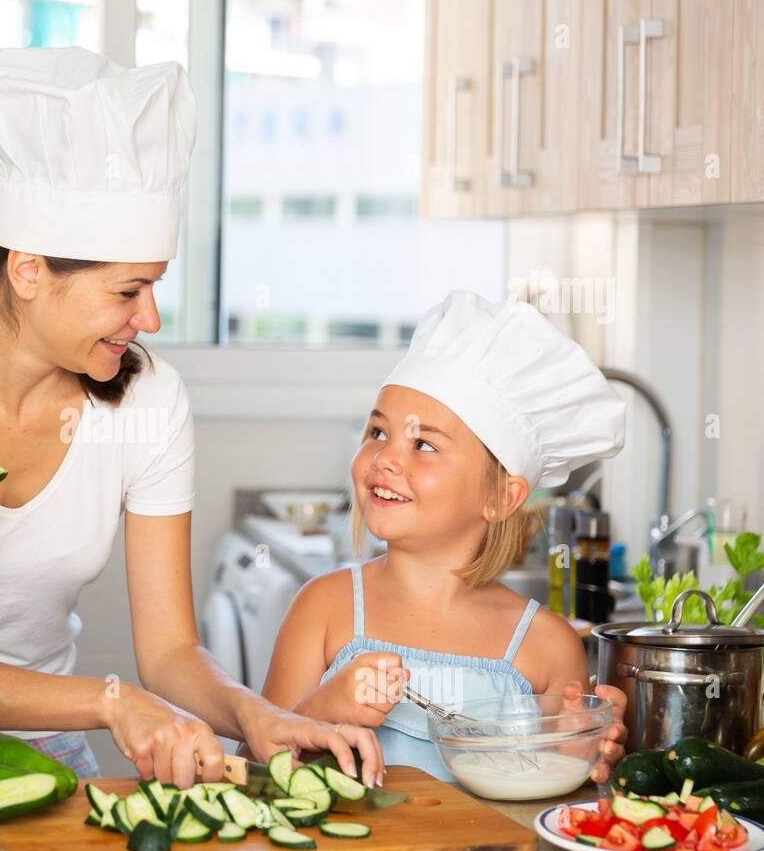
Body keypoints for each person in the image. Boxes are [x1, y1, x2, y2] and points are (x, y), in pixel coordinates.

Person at [0, 46, 383, 787]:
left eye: (155, 287)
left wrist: (254, 715)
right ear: (28, 271)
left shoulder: (150, 400)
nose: (149, 317)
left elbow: (170, 651)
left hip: (45, 738)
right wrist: (115, 703)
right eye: (128, 291)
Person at [259, 290, 631, 786]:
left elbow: (560, 803)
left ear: (501, 496)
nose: (385, 458)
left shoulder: (546, 646)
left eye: (424, 444)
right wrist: (321, 711)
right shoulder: (324, 608)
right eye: (377, 432)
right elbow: (253, 770)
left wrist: (583, 748)